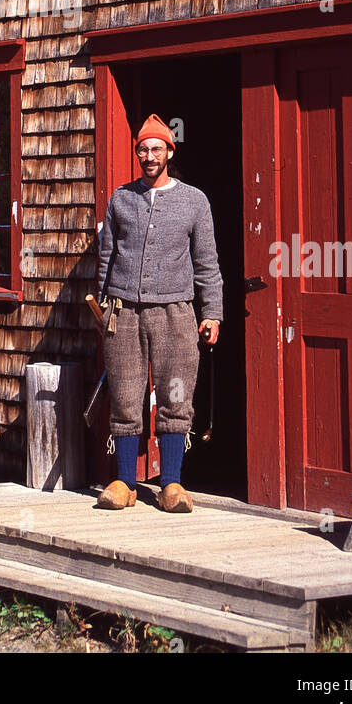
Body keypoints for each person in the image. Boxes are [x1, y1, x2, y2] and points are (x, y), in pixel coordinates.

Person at [95, 113, 222, 512]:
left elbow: (207, 262)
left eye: (156, 148)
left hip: (176, 312)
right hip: (123, 312)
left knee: (175, 393)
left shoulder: (194, 201)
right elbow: (105, 256)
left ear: (169, 151)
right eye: (142, 149)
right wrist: (101, 307)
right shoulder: (120, 198)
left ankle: (171, 484)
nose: (148, 156)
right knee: (126, 395)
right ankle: (125, 482)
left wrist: (212, 313)